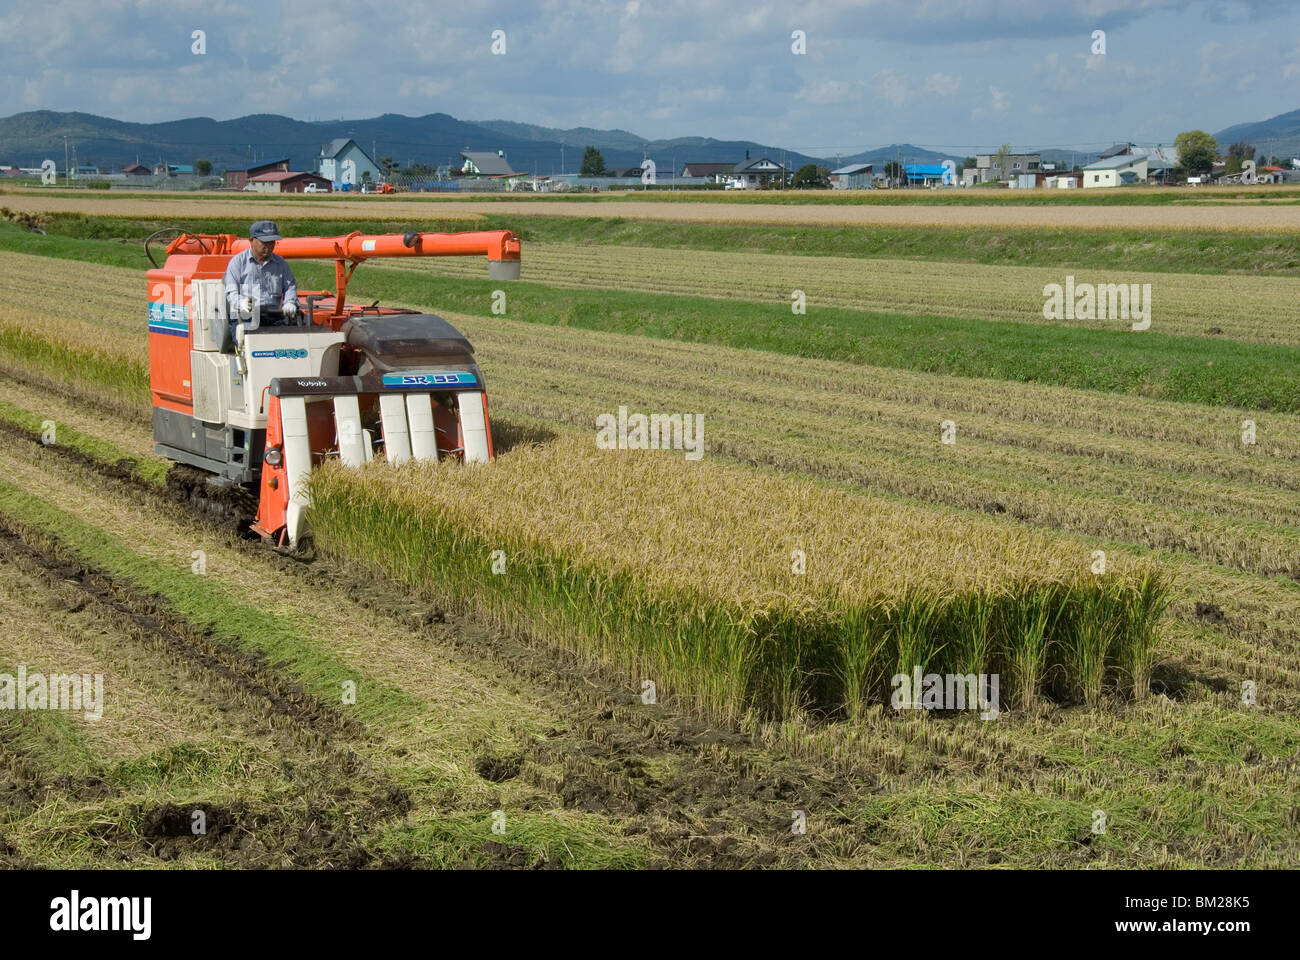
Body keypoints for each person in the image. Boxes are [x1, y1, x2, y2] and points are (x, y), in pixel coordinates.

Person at [222, 220, 299, 335]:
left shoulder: (281, 264)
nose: (269, 246)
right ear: (251, 240)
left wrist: (290, 302)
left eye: (272, 242)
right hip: (246, 318)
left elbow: (290, 286)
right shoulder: (238, 262)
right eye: (264, 242)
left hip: (275, 317)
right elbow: (231, 294)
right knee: (252, 343)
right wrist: (245, 304)